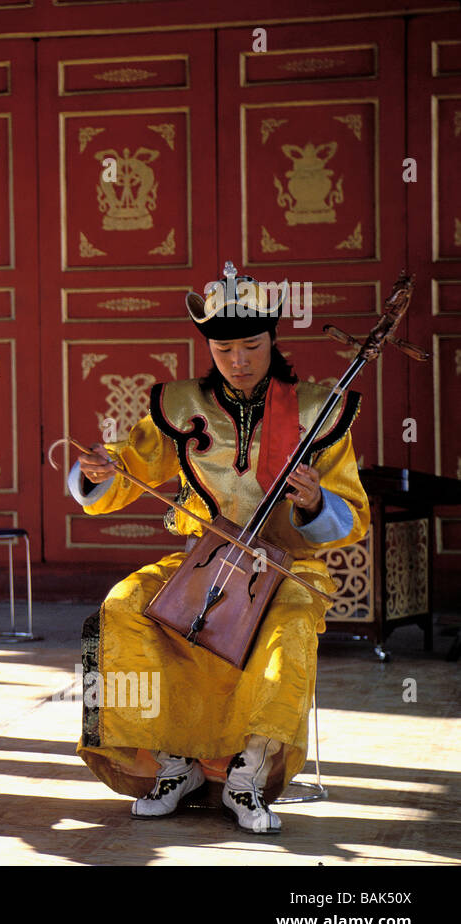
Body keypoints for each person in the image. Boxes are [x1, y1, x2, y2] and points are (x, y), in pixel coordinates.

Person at [67, 262, 369, 833]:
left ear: (272, 340)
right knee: (122, 608)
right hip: (200, 561)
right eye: (225, 350)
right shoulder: (179, 405)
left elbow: (351, 515)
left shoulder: (315, 409)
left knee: (293, 623)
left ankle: (247, 770)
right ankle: (172, 760)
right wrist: (99, 471)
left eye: (251, 347)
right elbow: (125, 471)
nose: (238, 361)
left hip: (284, 565)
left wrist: (312, 503)